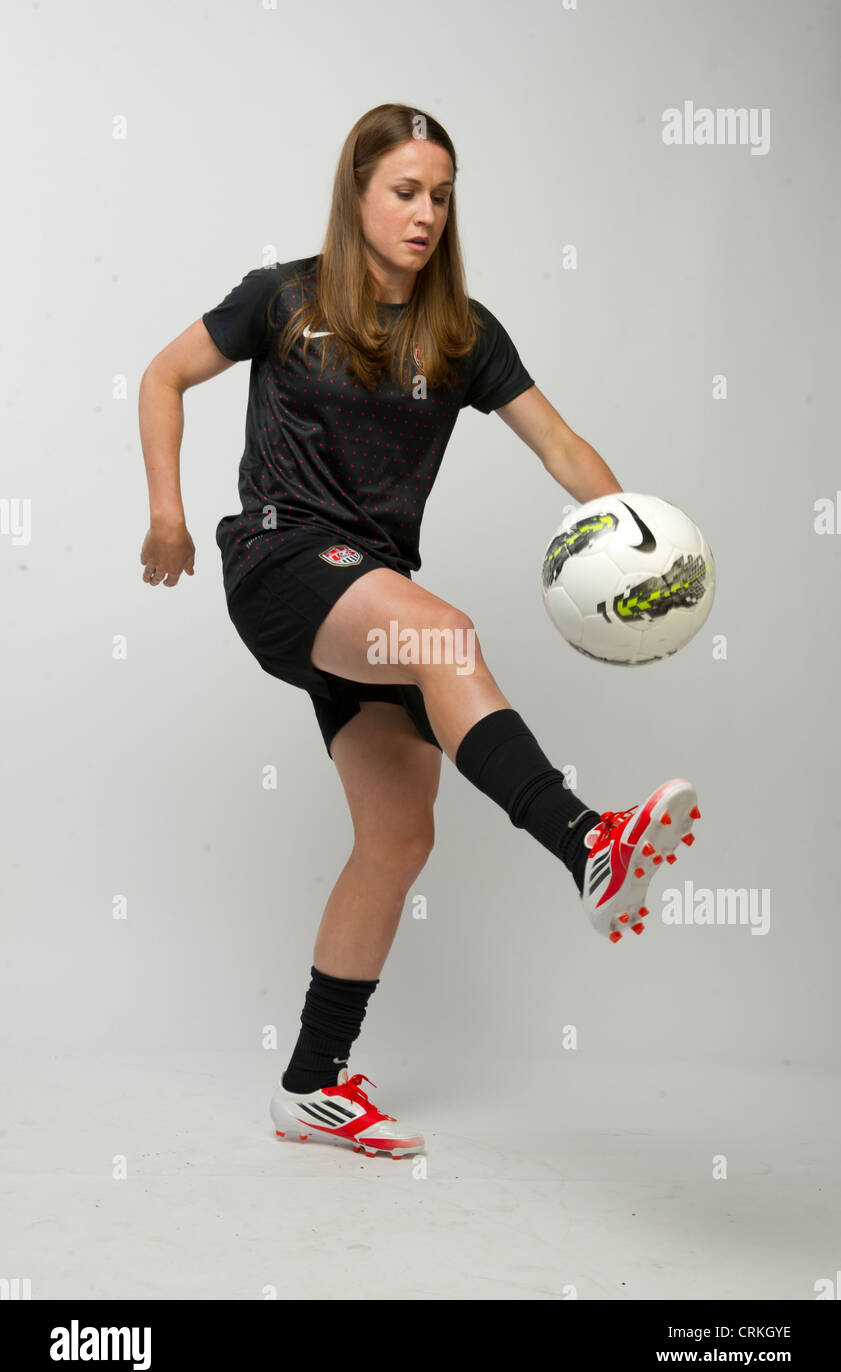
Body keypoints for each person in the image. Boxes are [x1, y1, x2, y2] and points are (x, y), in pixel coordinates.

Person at [137, 104, 700, 1160]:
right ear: (357, 194)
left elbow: (559, 442)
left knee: (398, 836)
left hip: (368, 593)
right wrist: (166, 511)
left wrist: (636, 534)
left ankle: (311, 1083)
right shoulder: (283, 299)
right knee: (446, 636)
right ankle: (590, 842)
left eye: (440, 195)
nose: (425, 214)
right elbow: (162, 375)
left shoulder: (462, 334)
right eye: (404, 191)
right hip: (279, 561)